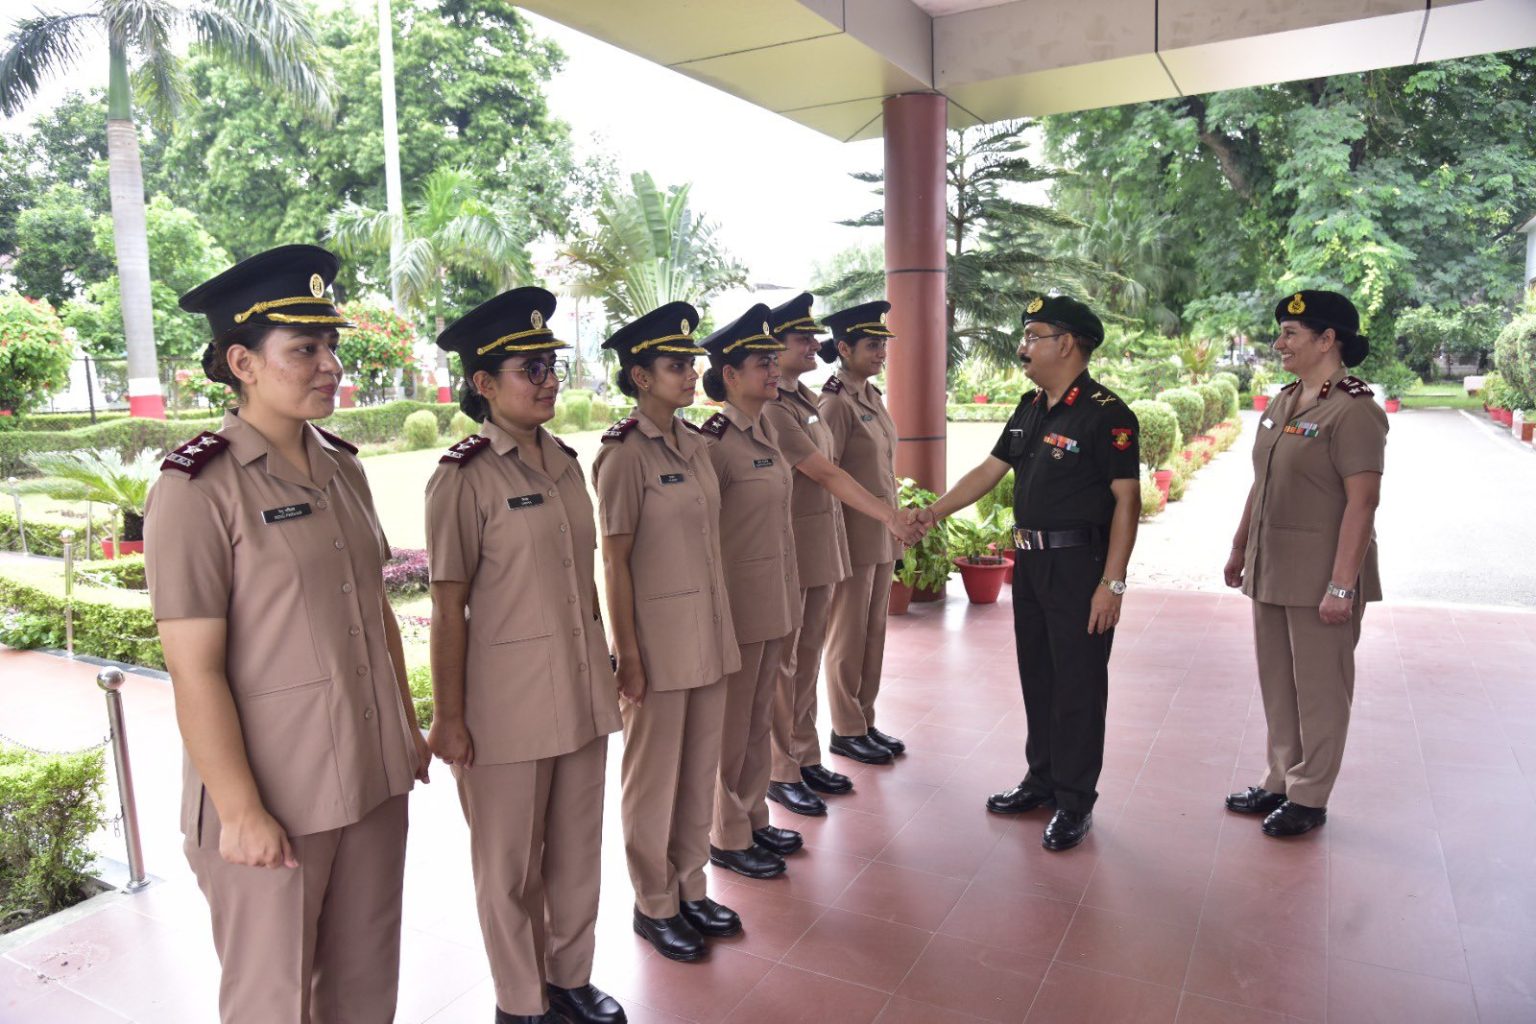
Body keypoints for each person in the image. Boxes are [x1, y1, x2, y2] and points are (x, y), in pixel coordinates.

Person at [144, 244, 431, 1022]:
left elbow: (372, 611)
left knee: (365, 989)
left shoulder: (343, 468)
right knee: (272, 1001)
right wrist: (240, 811)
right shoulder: (197, 489)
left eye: (330, 345)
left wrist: (405, 731)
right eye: (304, 349)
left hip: (370, 779)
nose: (330, 365)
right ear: (241, 362)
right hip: (275, 797)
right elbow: (194, 669)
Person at [424, 287, 626, 1024]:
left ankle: (569, 979)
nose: (547, 381)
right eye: (529, 369)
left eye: (551, 366)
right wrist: (449, 717)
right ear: (483, 383)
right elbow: (448, 607)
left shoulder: (565, 462)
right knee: (508, 866)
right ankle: (520, 1001)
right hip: (504, 709)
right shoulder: (463, 476)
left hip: (579, 690)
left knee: (576, 850)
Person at [916, 295, 1140, 852]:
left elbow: (1127, 501)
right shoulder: (1031, 407)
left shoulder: (1107, 414)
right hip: (1032, 564)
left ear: (1066, 344)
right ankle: (1041, 779)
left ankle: (1075, 801)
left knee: (1079, 684)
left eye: (1033, 336)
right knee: (1038, 674)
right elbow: (989, 470)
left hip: (1080, 567)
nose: (1022, 347)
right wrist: (931, 513)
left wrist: (1112, 584)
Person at [592, 302, 742, 963]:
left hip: (707, 634)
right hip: (656, 646)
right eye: (675, 365)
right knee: (653, 781)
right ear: (640, 376)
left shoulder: (695, 444)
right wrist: (626, 653)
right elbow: (614, 561)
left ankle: (690, 887)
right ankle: (654, 902)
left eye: (690, 363)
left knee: (697, 771)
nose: (689, 374)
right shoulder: (623, 455)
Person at [1223, 290, 1387, 838]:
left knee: (1320, 688)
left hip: (1322, 573)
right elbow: (1262, 481)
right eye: (1280, 333)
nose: (1279, 343)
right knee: (1277, 681)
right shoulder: (1283, 401)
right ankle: (1279, 779)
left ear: (1327, 340)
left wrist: (1343, 585)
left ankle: (1309, 795)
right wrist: (1240, 546)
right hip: (1271, 564)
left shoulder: (1354, 409)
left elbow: (1363, 503)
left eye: (1291, 333)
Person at [761, 293, 921, 815]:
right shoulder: (797, 406)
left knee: (813, 653)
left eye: (814, 337)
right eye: (802, 338)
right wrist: (889, 515)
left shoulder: (811, 401)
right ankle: (791, 760)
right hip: (814, 541)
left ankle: (807, 754)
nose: (813, 344)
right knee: (800, 659)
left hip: (835, 537)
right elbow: (827, 472)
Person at [695, 304, 804, 877]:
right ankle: (727, 833)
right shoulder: (714, 442)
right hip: (736, 606)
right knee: (732, 725)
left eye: (773, 361)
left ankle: (754, 816)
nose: (773, 370)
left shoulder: (765, 429)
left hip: (773, 599)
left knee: (759, 718)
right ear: (730, 375)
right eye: (762, 363)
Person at [818, 301, 908, 765]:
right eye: (871, 345)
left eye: (883, 345)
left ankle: (865, 720)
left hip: (881, 535)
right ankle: (845, 727)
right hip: (852, 537)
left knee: (874, 632)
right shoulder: (834, 402)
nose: (880, 353)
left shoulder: (870, 396)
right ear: (844, 348)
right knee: (847, 635)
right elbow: (825, 475)